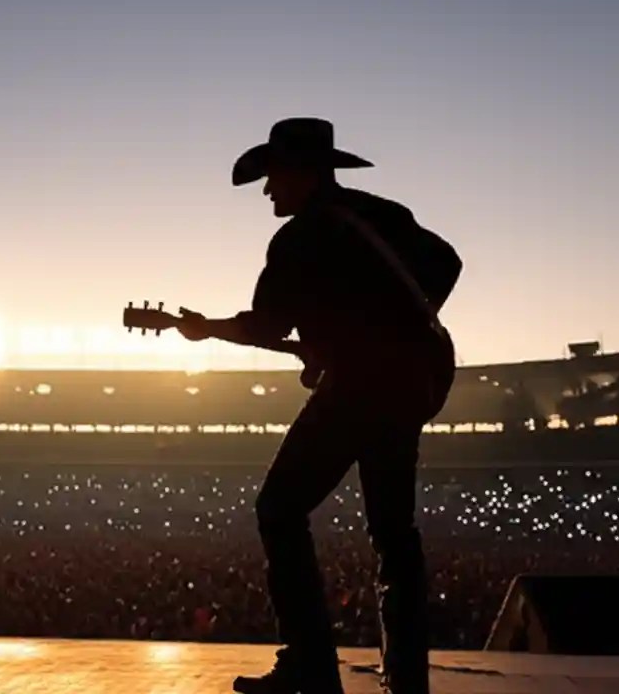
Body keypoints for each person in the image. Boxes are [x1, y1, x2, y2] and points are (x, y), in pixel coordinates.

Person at [175, 117, 462, 694]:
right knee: (393, 533)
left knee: (278, 510)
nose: (267, 191)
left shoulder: (299, 237)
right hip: (415, 379)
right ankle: (407, 678)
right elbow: (448, 263)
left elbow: (267, 325)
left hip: (362, 385)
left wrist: (208, 330)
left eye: (273, 176)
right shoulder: (382, 214)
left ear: (302, 173)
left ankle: (309, 664)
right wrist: (390, 330)